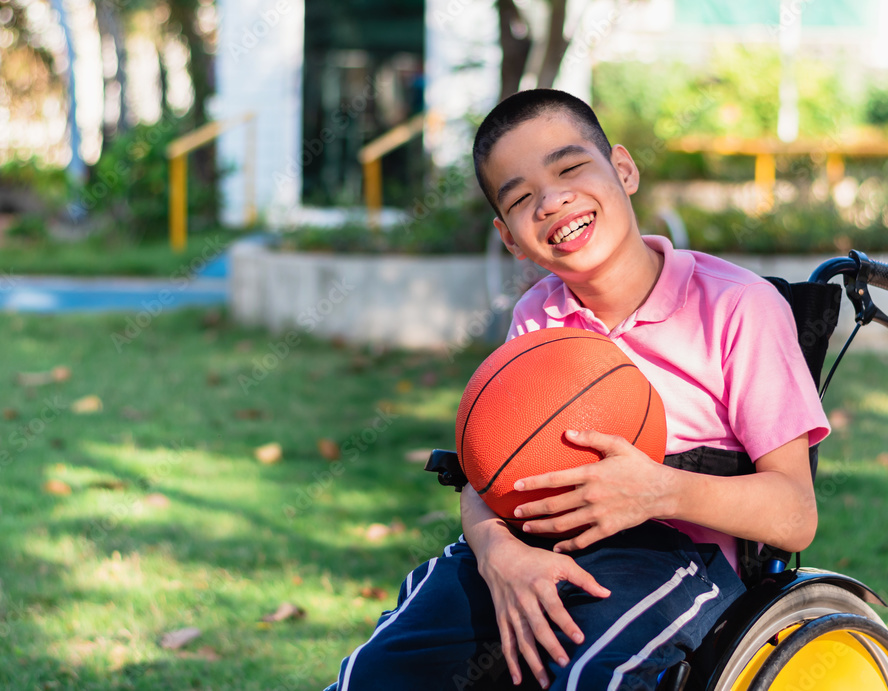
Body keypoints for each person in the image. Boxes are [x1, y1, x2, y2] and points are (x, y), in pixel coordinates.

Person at [323, 89, 829, 691]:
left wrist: (655, 491)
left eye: (570, 168)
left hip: (677, 562)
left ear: (623, 169)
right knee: (376, 673)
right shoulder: (537, 317)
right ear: (508, 236)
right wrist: (496, 552)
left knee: (589, 673)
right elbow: (487, 476)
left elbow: (795, 515)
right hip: (534, 549)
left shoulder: (737, 307)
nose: (552, 199)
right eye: (520, 197)